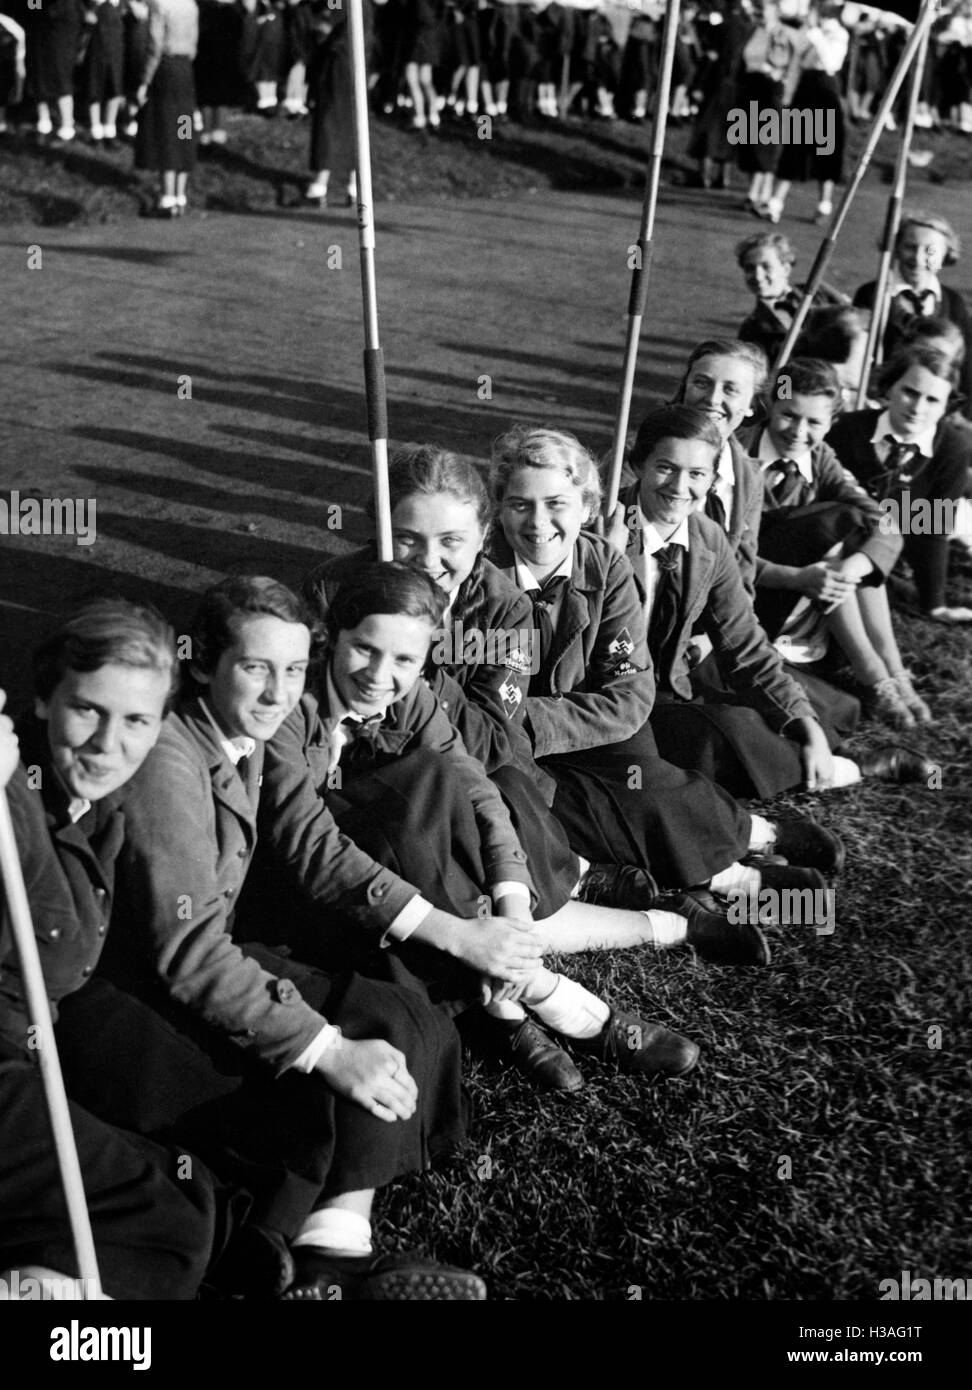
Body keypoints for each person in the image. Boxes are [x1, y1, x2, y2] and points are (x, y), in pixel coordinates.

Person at [83, 584, 486, 1299]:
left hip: (205, 957)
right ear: (204, 664)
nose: (279, 692)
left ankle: (329, 1247)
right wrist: (326, 1047)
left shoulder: (252, 733)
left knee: (398, 1020)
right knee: (306, 1081)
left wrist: (454, 935)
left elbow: (314, 847)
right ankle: (316, 1255)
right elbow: (186, 953)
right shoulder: (168, 759)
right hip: (122, 998)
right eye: (256, 668)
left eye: (295, 671)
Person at [301, 446, 773, 974]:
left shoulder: (504, 606)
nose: (428, 561)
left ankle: (664, 906)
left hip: (470, 773)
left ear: (482, 538)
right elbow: (314, 721)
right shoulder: (331, 590)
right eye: (407, 539)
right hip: (364, 781)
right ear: (380, 532)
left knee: (522, 803)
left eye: (450, 541)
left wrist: (423, 661)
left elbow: (492, 739)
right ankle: (647, 914)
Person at [255, 562, 706, 1092]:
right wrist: (464, 936)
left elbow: (476, 790)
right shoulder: (286, 705)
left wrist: (511, 916)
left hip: (389, 880)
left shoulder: (411, 696)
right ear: (332, 637)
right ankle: (539, 996)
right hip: (283, 901)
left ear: (426, 658)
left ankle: (504, 1001)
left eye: (403, 658)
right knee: (418, 797)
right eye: (364, 649)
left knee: (442, 781)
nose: (380, 675)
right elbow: (311, 851)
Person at [488, 424, 846, 891]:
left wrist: (534, 720)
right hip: (508, 745)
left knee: (646, 773)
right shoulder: (480, 577)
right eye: (520, 504)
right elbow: (485, 711)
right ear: (498, 508)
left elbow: (629, 693)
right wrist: (523, 728)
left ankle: (753, 839)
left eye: (556, 504)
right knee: (554, 800)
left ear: (588, 507)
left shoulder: (604, 563)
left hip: (591, 726)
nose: (538, 523)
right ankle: (732, 874)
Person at [0, 617, 224, 1299]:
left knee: (190, 1184)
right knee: (161, 1218)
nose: (108, 744)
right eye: (87, 711)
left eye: (136, 720)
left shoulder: (96, 807)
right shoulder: (12, 798)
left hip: (36, 1050)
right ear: (42, 701)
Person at [748, 358, 931, 734]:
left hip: (812, 590)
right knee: (836, 521)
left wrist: (855, 567)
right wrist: (796, 578)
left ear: (831, 423)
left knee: (857, 529)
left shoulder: (820, 458)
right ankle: (872, 673)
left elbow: (888, 523)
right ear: (769, 406)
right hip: (754, 593)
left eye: (814, 422)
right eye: (789, 415)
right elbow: (723, 555)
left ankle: (893, 673)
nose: (798, 432)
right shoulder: (736, 455)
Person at [826, 344, 972, 625]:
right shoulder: (845, 428)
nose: (918, 409)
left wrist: (935, 605)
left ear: (947, 405)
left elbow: (933, 528)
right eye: (910, 392)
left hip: (894, 555)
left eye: (932, 400)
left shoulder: (952, 449)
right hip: (834, 542)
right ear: (889, 387)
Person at [852, 212, 972, 421]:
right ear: (896, 247)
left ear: (946, 254)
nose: (918, 259)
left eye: (930, 250)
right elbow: (859, 358)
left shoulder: (954, 303)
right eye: (910, 247)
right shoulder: (873, 295)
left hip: (938, 409)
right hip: (884, 406)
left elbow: (967, 368)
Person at [672, 336, 768, 596]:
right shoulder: (635, 458)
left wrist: (725, 636)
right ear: (685, 388)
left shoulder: (748, 477)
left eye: (730, 390)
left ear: (751, 405)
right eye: (701, 383)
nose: (713, 399)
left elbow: (742, 575)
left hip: (712, 620)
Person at [764, 0, 848, 225]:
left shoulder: (839, 35)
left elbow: (831, 63)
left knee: (826, 149)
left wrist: (817, 37)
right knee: (793, 147)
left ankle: (824, 204)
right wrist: (789, 97)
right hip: (805, 89)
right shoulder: (808, 32)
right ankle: (775, 203)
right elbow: (796, 65)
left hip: (826, 90)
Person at [735, 231, 848, 368]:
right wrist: (786, 390)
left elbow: (859, 324)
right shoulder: (751, 330)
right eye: (750, 268)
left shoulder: (818, 292)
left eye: (766, 267)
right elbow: (773, 376)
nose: (758, 276)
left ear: (786, 269)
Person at [134, 0, 199, 216]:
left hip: (166, 69)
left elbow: (155, 45)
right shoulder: (191, 5)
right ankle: (181, 195)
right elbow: (194, 41)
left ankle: (167, 197)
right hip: (185, 69)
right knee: (184, 126)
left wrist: (145, 82)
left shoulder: (159, 6)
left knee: (166, 128)